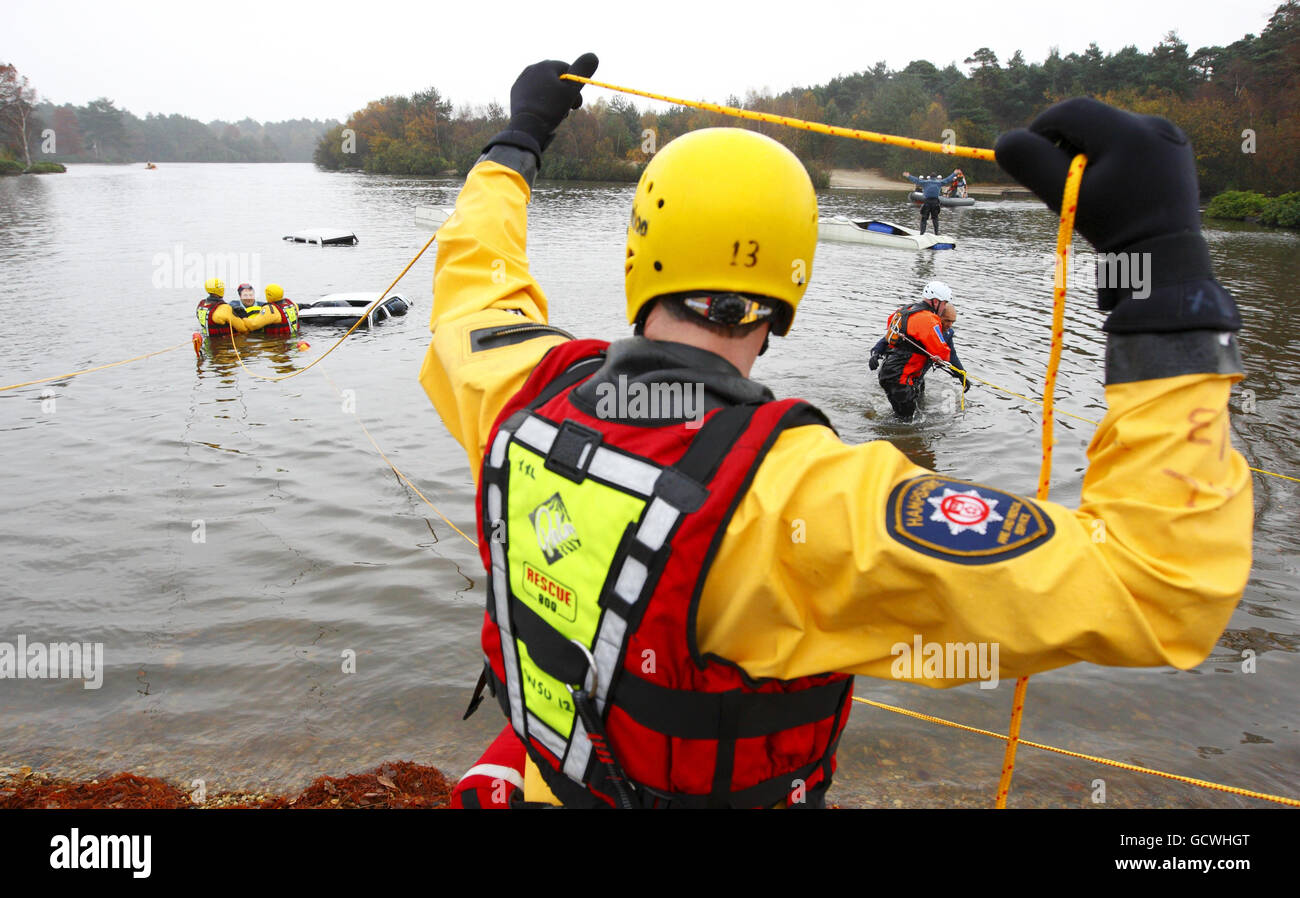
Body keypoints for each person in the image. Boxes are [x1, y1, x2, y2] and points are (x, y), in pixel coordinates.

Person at [419, 56, 1251, 808]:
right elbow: (1162, 583)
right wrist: (1161, 270)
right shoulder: (805, 501)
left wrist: (515, 144)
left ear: (639, 255)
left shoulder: (510, 385)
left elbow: (472, 279)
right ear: (792, 291)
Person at [869, 281, 969, 419]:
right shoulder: (928, 320)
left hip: (901, 375)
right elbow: (944, 354)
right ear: (936, 302)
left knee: (915, 409)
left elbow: (891, 338)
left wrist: (961, 374)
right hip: (900, 378)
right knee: (906, 421)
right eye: (944, 303)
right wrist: (876, 352)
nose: (949, 325)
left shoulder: (906, 311)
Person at [194, 276, 286, 342]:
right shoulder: (226, 308)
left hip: (210, 340)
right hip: (226, 343)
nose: (248, 298)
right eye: (245, 295)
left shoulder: (201, 305)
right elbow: (243, 329)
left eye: (250, 295)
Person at [904, 169, 958, 234]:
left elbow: (916, 180)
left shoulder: (925, 182)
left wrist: (908, 176)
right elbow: (948, 179)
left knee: (924, 218)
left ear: (930, 177)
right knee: (935, 219)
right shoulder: (939, 182)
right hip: (935, 202)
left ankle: (922, 233)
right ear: (935, 177)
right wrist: (954, 173)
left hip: (927, 202)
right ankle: (936, 233)